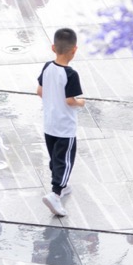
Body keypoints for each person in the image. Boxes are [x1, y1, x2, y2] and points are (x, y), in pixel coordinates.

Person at [38, 27, 84, 217]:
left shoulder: (48, 67)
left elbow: (39, 91)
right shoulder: (71, 74)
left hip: (49, 124)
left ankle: (61, 187)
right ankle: (55, 194)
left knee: (55, 159)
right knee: (64, 161)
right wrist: (81, 102)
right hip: (65, 127)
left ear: (53, 47)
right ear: (74, 49)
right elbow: (70, 100)